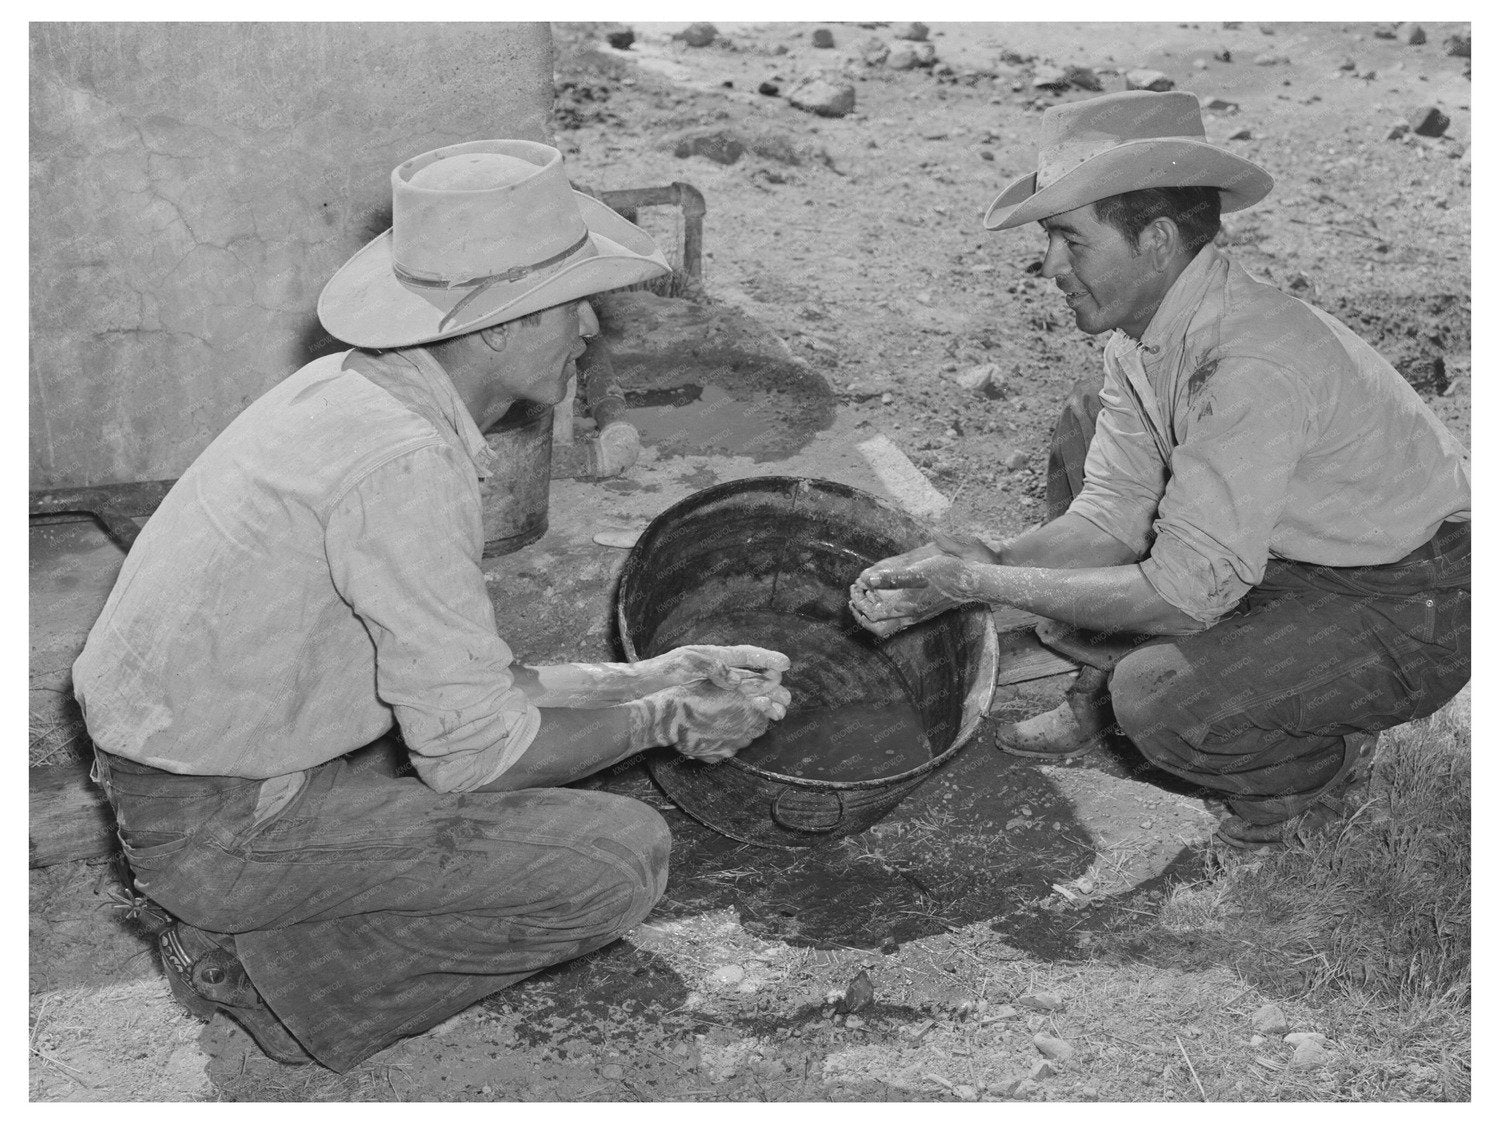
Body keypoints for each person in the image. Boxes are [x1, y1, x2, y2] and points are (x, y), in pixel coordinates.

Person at [72, 140, 791, 1071]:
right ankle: (264, 977)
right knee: (616, 863)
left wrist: (652, 675)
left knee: (483, 783)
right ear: (497, 328)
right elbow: (476, 759)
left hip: (210, 772)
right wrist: (664, 722)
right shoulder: (405, 461)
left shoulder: (361, 390)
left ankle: (252, 918)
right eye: (572, 307)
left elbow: (478, 682)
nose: (587, 334)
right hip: (221, 824)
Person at [850, 91, 1469, 851]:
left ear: (1158, 238)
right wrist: (989, 560)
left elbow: (1180, 593)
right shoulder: (1145, 340)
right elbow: (1112, 513)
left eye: (1069, 241)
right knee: (1088, 422)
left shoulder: (1247, 365)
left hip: (1416, 591)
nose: (1047, 265)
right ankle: (1095, 677)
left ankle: (1311, 766)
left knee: (1162, 702)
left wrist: (982, 588)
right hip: (1296, 551)